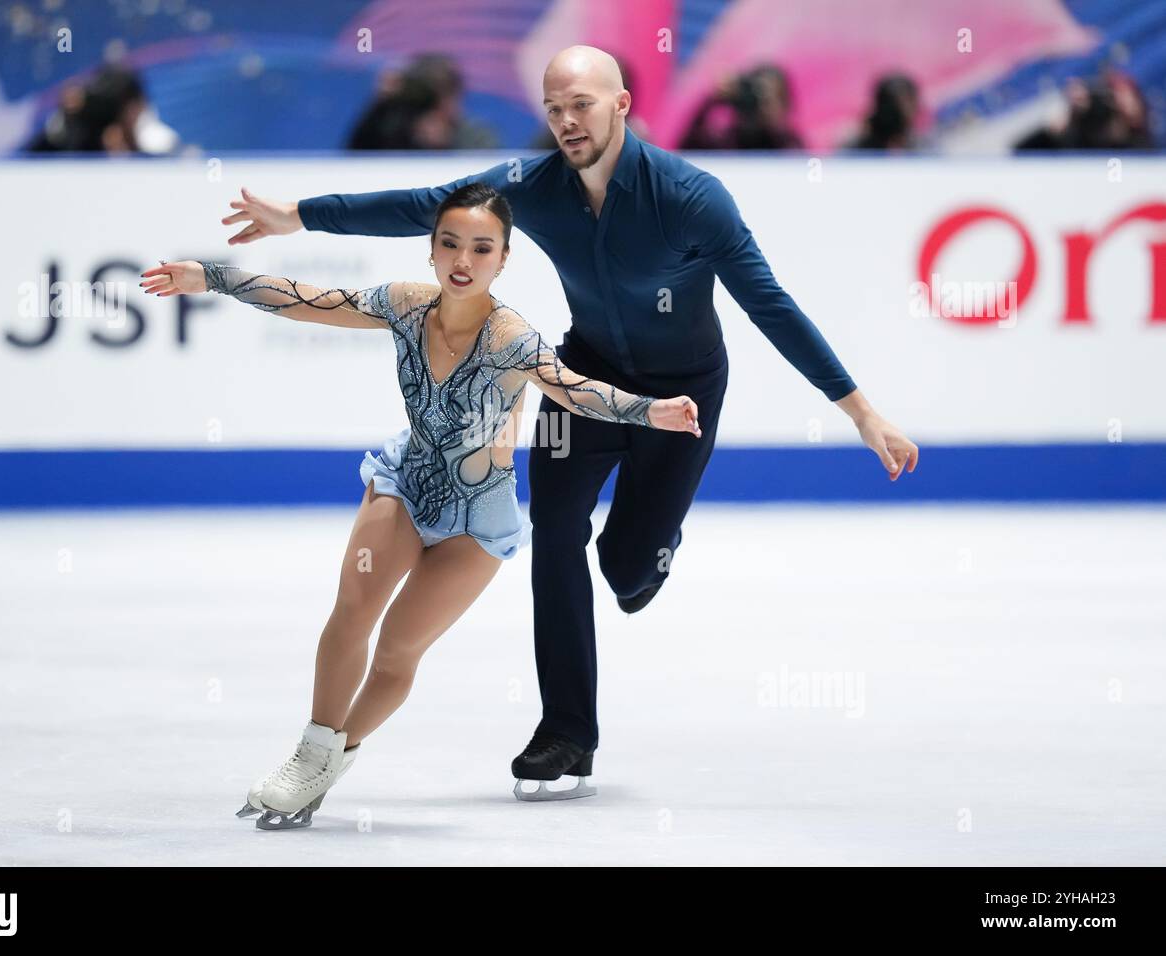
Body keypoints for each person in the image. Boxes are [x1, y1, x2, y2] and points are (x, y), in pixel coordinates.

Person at [216, 45, 919, 801]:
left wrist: (860, 410)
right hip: (580, 383)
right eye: (553, 108)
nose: (565, 121)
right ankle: (566, 735)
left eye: (580, 104)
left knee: (625, 569)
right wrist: (298, 216)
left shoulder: (691, 197)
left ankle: (650, 549)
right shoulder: (533, 187)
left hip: (681, 398)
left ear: (620, 105)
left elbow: (769, 304)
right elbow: (429, 203)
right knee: (554, 528)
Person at [140, 183, 700, 828]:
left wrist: (648, 410)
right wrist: (210, 277)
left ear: (503, 258)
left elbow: (574, 392)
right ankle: (307, 753)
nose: (464, 258)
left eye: (481, 247)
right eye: (450, 242)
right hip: (406, 484)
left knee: (399, 650)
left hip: (478, 521)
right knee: (353, 611)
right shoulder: (405, 306)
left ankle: (333, 759)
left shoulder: (511, 338)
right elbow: (310, 302)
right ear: (432, 250)